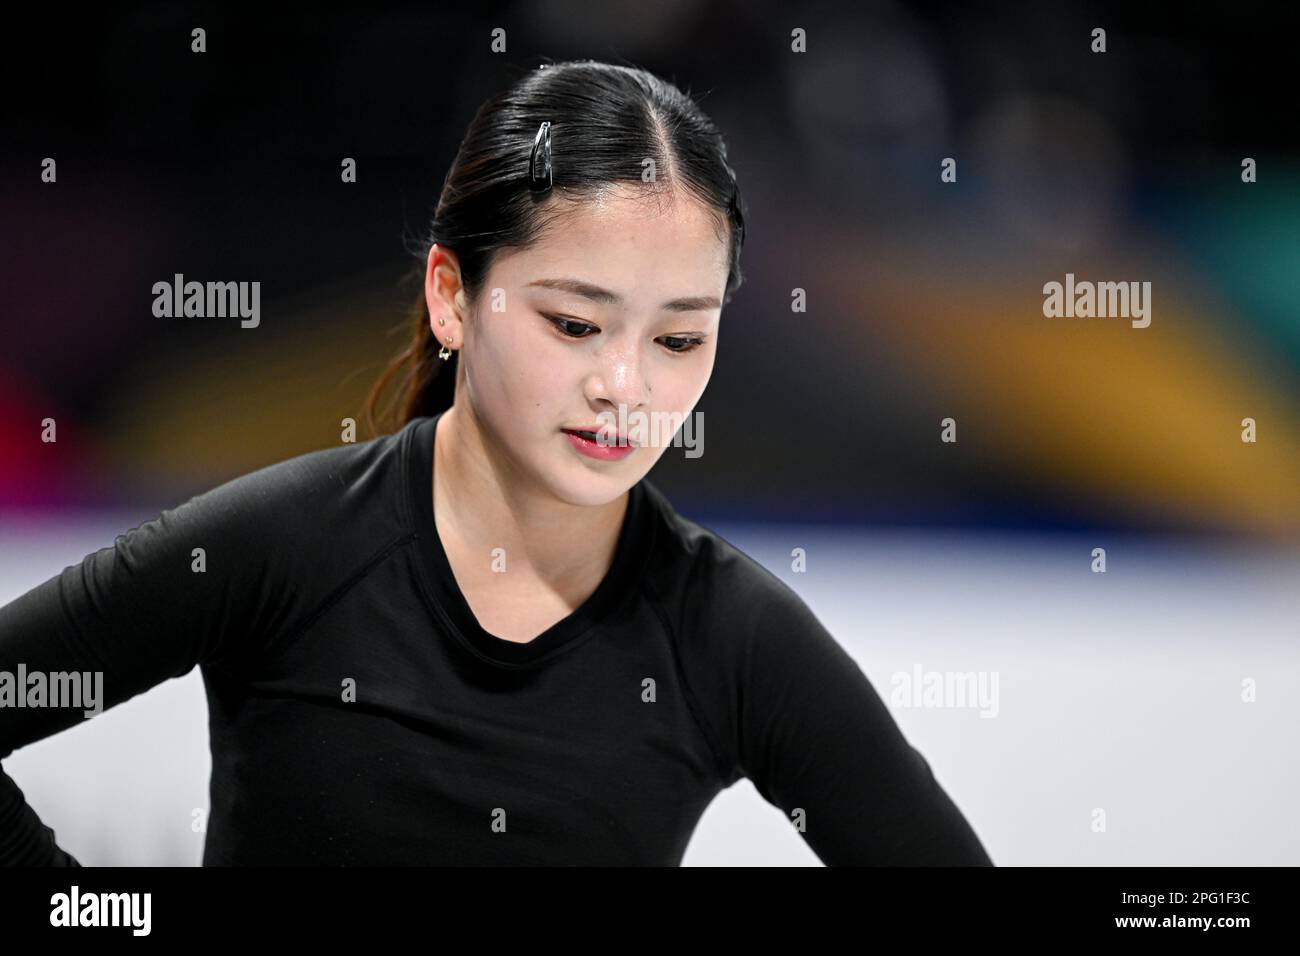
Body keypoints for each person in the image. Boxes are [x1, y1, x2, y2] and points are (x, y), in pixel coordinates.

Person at [0, 60, 993, 866]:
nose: (625, 385)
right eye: (574, 322)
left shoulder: (728, 636)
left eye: (679, 338)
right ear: (450, 295)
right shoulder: (280, 544)